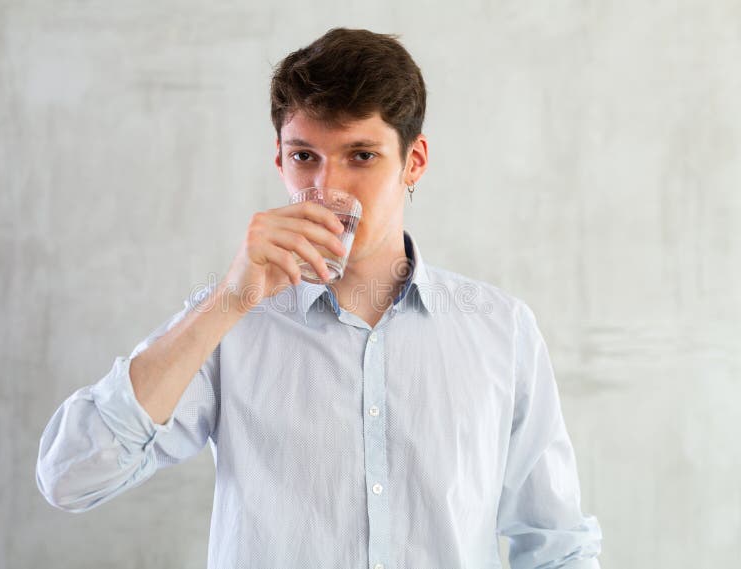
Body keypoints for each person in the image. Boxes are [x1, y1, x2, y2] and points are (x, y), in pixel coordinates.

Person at [36, 27, 603, 569]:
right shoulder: (231, 319)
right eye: (306, 156)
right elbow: (71, 476)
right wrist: (228, 305)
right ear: (279, 160)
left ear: (415, 161)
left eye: (361, 156)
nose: (328, 188)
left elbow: (555, 545)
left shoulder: (500, 331)